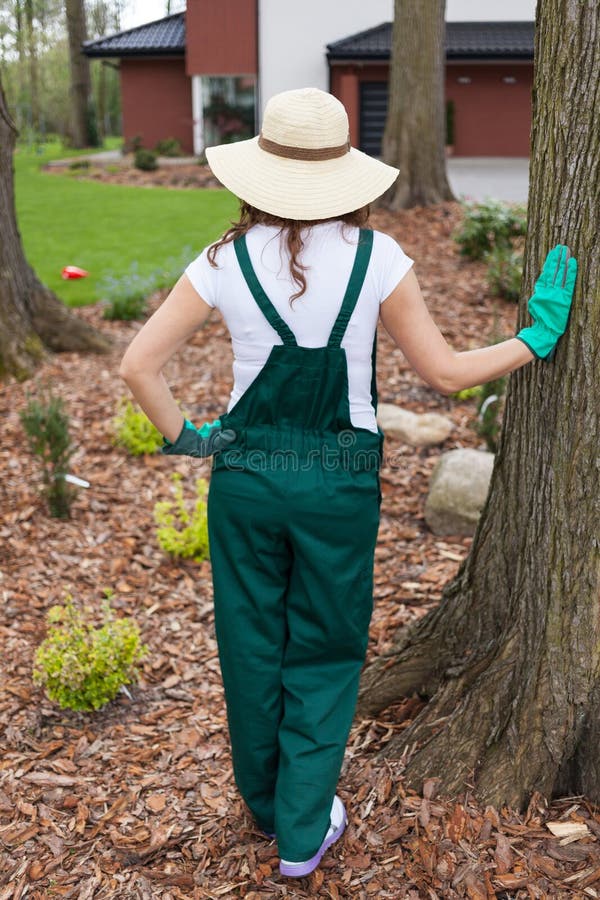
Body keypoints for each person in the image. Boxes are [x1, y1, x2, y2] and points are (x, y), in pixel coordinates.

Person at [119, 87, 577, 878]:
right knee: (326, 651)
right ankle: (302, 833)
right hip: (336, 488)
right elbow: (441, 372)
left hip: (245, 481)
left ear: (257, 175)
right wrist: (533, 338)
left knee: (252, 644)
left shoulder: (224, 259)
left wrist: (188, 438)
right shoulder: (378, 259)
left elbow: (137, 365)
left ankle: (267, 808)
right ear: (345, 177)